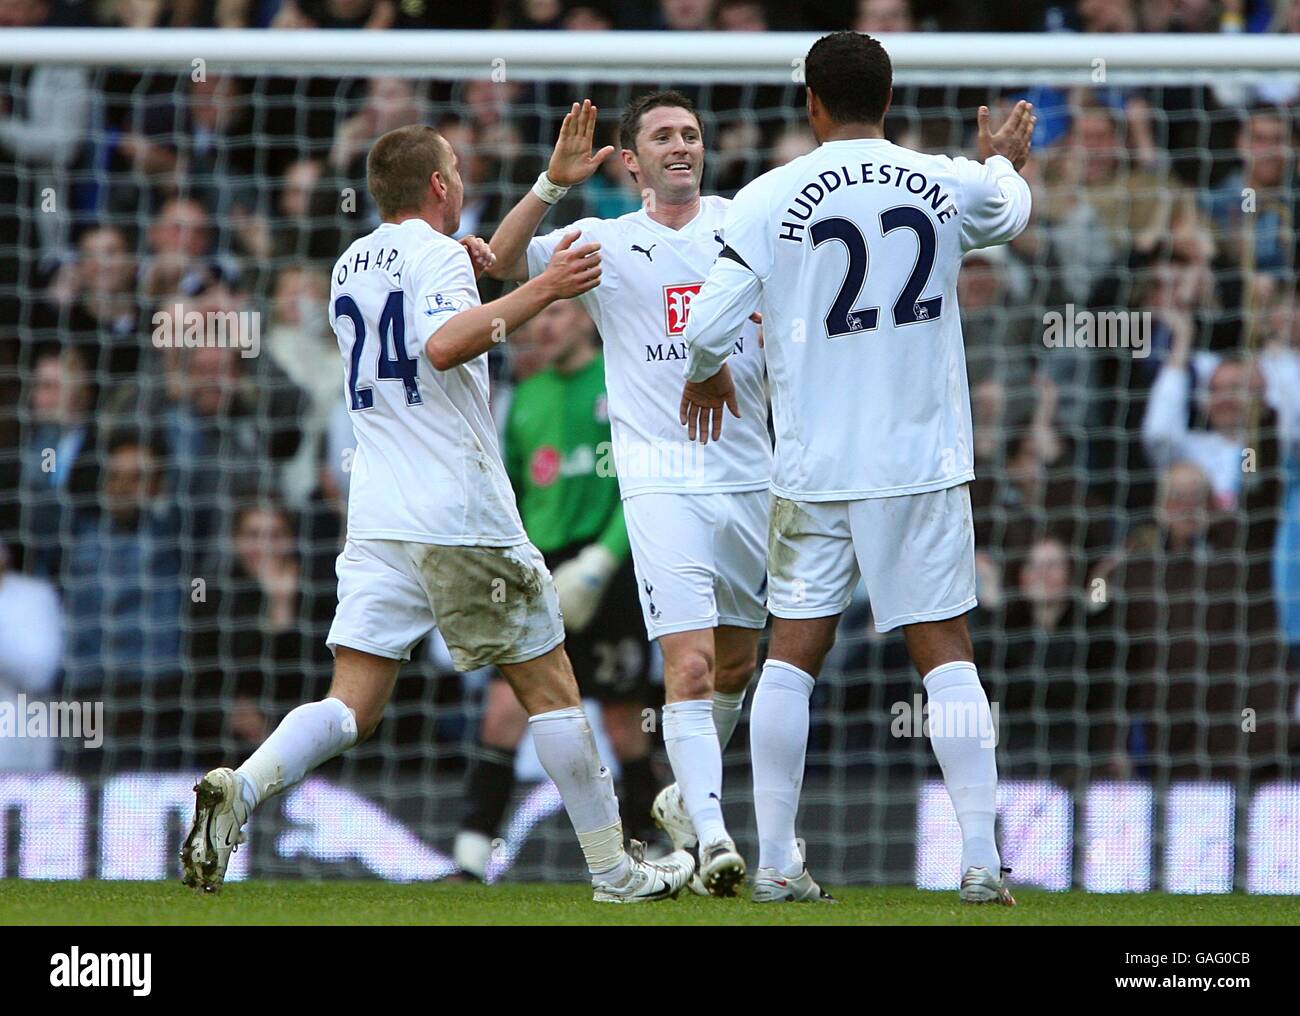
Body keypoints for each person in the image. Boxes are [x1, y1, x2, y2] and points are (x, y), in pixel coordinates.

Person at [180, 123, 695, 903]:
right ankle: (614, 872)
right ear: (438, 187)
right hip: (458, 513)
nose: (459, 180)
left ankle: (242, 789)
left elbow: (472, 273)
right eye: (455, 169)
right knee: (553, 687)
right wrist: (546, 288)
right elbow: (449, 343)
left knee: (351, 700)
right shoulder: (438, 258)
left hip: (380, 517)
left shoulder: (352, 262)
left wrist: (547, 188)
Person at [680, 32, 1034, 904]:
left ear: (810, 102)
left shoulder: (763, 198)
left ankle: (773, 862)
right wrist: (1004, 164)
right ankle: (982, 863)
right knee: (946, 656)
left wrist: (705, 373)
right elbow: (1010, 210)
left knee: (790, 661)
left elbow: (703, 332)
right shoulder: (948, 182)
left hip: (813, 468)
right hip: (918, 462)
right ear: (890, 95)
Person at [484, 96, 772, 896]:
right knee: (688, 662)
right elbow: (499, 265)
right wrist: (550, 182)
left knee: (737, 664)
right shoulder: (606, 241)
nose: (681, 146)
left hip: (750, 474)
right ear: (633, 162)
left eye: (690, 135)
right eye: (662, 138)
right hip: (658, 479)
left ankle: (686, 798)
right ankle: (714, 839)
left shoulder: (745, 222)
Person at [454, 300, 663, 877]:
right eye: (540, 316)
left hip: (609, 566)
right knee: (502, 712)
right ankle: (471, 858)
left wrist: (601, 560)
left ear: (587, 320)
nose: (544, 324)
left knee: (625, 724)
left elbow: (644, 477)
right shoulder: (527, 395)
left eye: (560, 313)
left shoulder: (620, 382)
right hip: (542, 570)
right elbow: (514, 488)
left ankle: (661, 847)